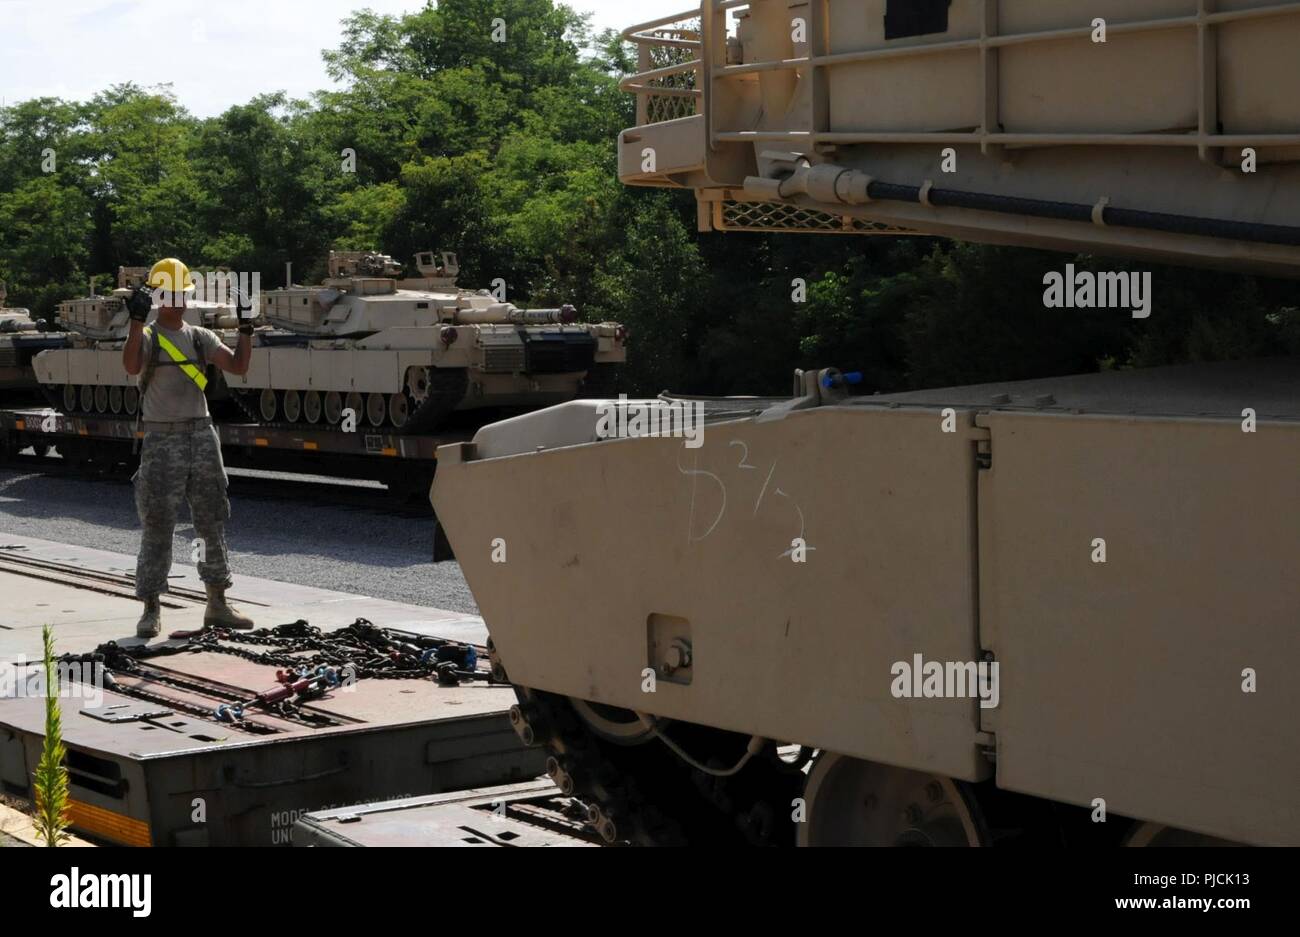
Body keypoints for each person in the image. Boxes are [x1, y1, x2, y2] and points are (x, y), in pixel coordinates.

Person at [121, 258, 255, 638]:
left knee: (210, 520)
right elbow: (131, 365)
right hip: (162, 438)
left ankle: (216, 602)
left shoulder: (199, 337)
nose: (177, 302)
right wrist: (134, 322)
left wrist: (246, 327)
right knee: (158, 523)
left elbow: (239, 366)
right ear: (158, 297)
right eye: (170, 295)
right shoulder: (147, 336)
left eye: (182, 294)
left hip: (201, 435)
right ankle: (151, 607)